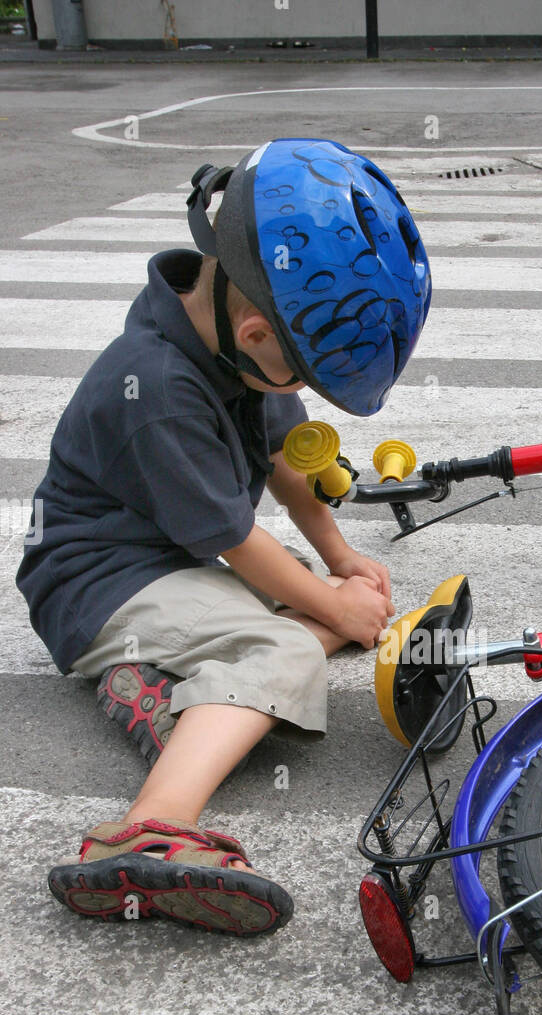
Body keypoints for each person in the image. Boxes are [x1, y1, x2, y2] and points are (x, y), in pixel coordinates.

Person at [16, 138, 432, 937]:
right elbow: (239, 540)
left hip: (164, 564)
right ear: (253, 334)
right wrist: (338, 613)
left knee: (301, 614)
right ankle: (150, 827)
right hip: (99, 582)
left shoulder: (234, 341)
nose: (302, 391)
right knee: (282, 650)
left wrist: (340, 560)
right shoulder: (159, 387)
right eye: (304, 377)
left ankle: (155, 691)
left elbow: (286, 459)